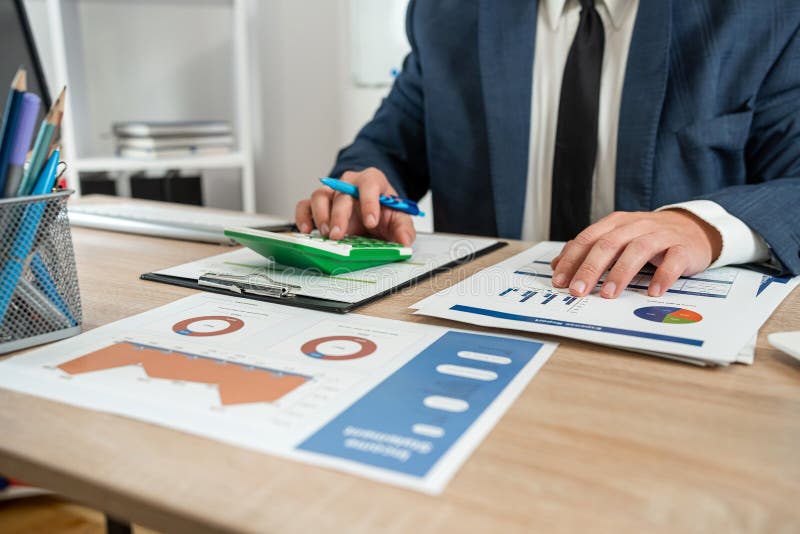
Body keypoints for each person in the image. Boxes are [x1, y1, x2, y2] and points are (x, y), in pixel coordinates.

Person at [295, 0, 800, 299]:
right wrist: (362, 187)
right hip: (484, 323)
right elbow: (386, 148)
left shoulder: (764, 16)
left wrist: (705, 226)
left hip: (659, 328)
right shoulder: (448, 13)